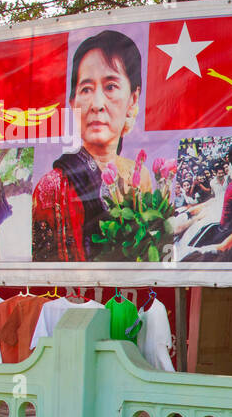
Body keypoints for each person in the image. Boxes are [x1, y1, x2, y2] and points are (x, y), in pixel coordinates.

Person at [32, 30, 153, 261]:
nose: (97, 104)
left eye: (110, 87)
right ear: (73, 102)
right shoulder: (54, 185)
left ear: (133, 99)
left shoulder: (140, 177)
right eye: (86, 89)